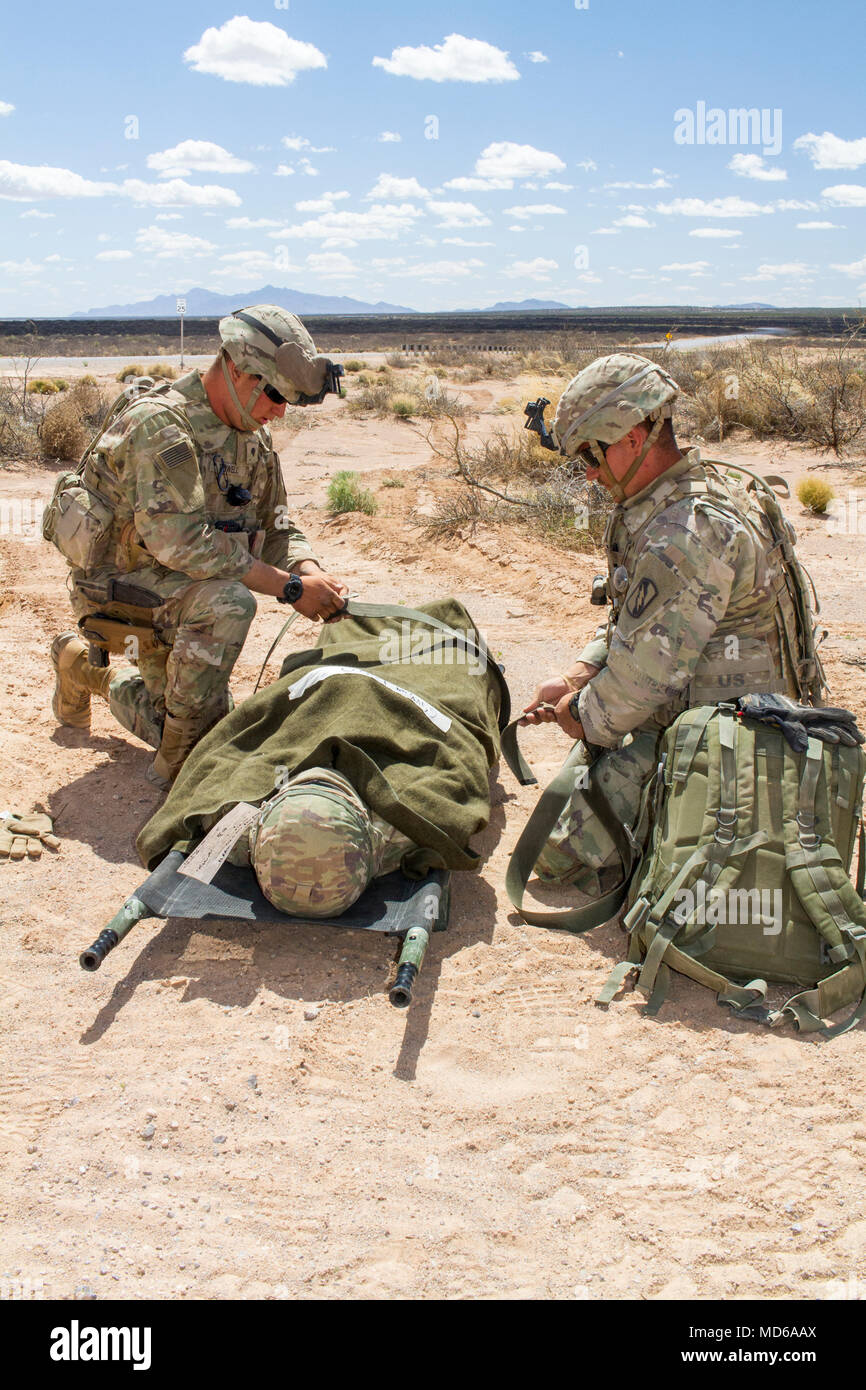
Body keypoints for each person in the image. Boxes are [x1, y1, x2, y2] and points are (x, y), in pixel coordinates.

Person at [520, 351, 824, 893]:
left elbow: (640, 682)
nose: (588, 473)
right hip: (714, 716)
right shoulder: (689, 494)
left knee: (552, 857)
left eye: (592, 453)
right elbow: (637, 618)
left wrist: (581, 715)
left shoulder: (683, 532)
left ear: (634, 436)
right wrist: (578, 675)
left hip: (735, 745)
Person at [49, 305, 348, 786]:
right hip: (121, 585)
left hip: (184, 587)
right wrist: (289, 589)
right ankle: (183, 768)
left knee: (218, 723)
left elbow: (276, 525)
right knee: (228, 605)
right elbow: (182, 542)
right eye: (273, 394)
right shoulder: (161, 426)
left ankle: (82, 668)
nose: (279, 411)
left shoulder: (253, 439)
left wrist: (307, 568)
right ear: (235, 368)